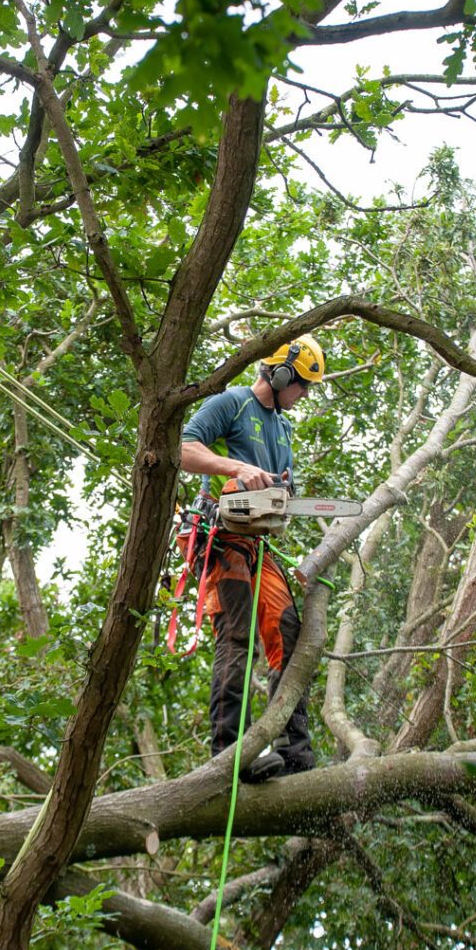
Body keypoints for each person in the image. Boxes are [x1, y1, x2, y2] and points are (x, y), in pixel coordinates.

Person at [179, 334, 325, 782]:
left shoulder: (282, 428)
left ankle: (293, 746)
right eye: (301, 385)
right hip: (222, 541)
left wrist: (280, 490)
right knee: (237, 640)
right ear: (280, 374)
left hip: (260, 543)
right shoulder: (234, 403)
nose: (304, 395)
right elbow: (182, 449)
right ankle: (230, 755)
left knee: (290, 635)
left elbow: (285, 489)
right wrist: (236, 468)